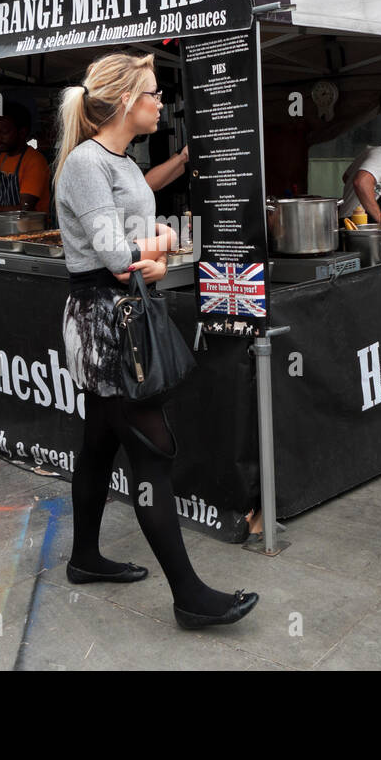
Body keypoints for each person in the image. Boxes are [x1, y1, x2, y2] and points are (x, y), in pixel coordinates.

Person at [54, 51, 257, 630]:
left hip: (119, 315)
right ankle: (189, 596)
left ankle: (85, 558)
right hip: (105, 328)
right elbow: (117, 255)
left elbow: (129, 247)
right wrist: (161, 244)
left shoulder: (117, 159)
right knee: (153, 451)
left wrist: (153, 246)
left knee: (99, 442)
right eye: (153, 93)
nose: (161, 102)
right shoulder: (87, 165)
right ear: (125, 103)